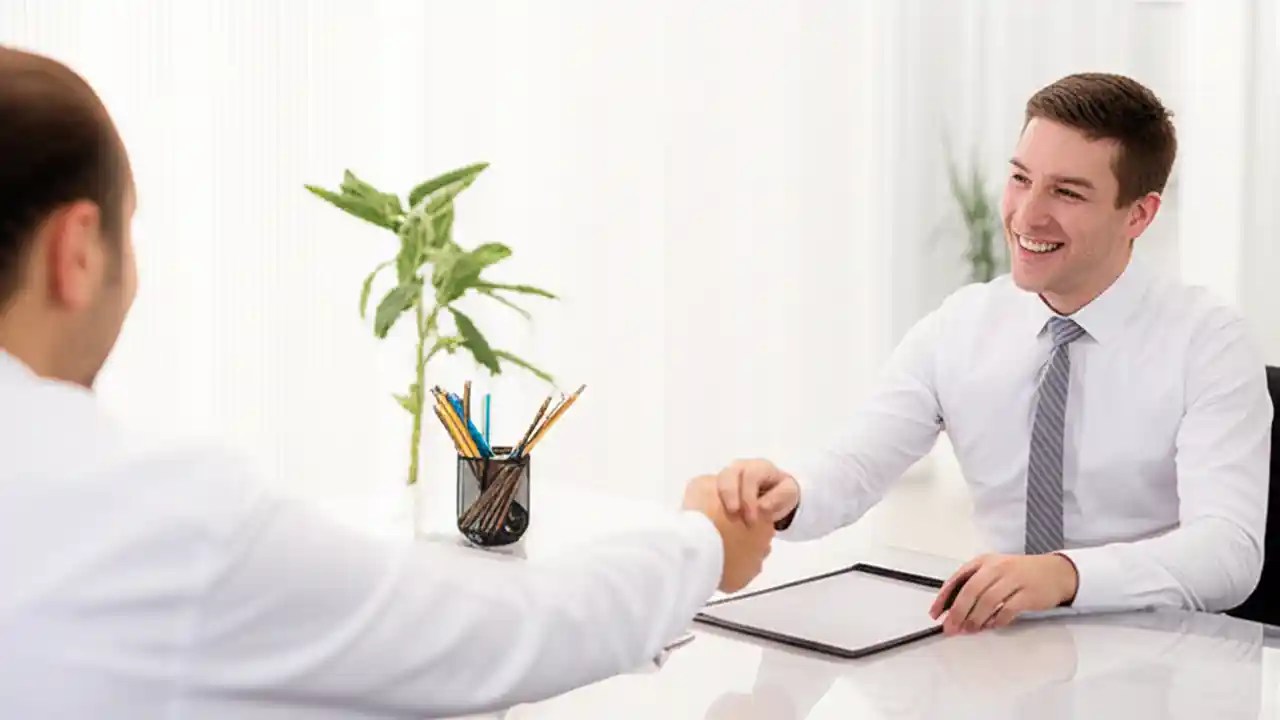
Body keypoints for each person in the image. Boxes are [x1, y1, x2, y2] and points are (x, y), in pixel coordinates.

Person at [0, 46, 775, 718]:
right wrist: (705, 543)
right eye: (128, 231)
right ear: (76, 250)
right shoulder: (160, 520)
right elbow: (508, 634)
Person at [713, 72, 1272, 635]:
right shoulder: (961, 326)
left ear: (1139, 215)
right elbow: (857, 465)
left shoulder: (1211, 344)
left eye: (1067, 192)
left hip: (1162, 661)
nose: (1027, 216)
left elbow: (1229, 554)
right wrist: (789, 495)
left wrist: (1065, 577)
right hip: (1003, 650)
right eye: (1021, 179)